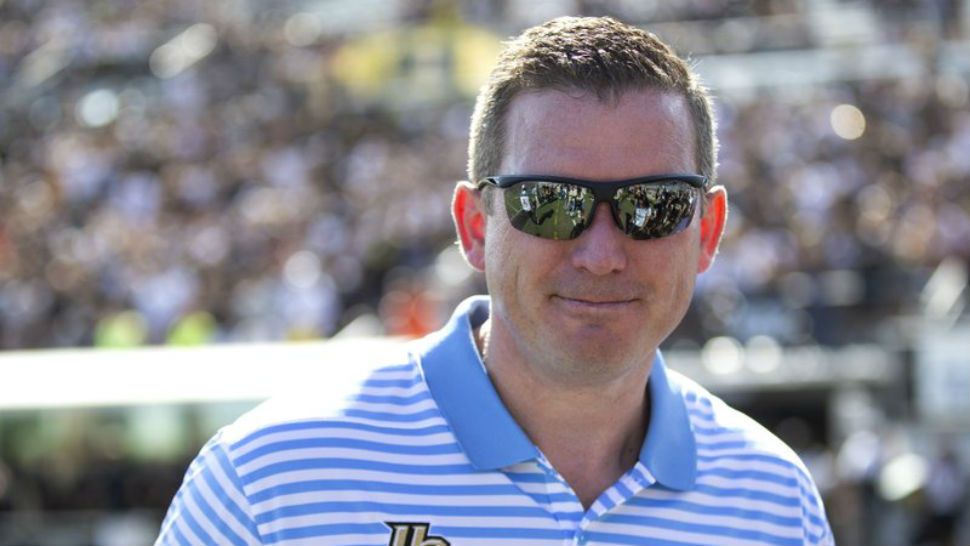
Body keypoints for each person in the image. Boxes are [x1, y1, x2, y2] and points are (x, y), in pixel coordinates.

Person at [156, 16, 834, 545]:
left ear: (708, 230)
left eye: (652, 205)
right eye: (549, 202)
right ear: (475, 226)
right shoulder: (272, 480)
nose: (601, 253)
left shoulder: (773, 501)